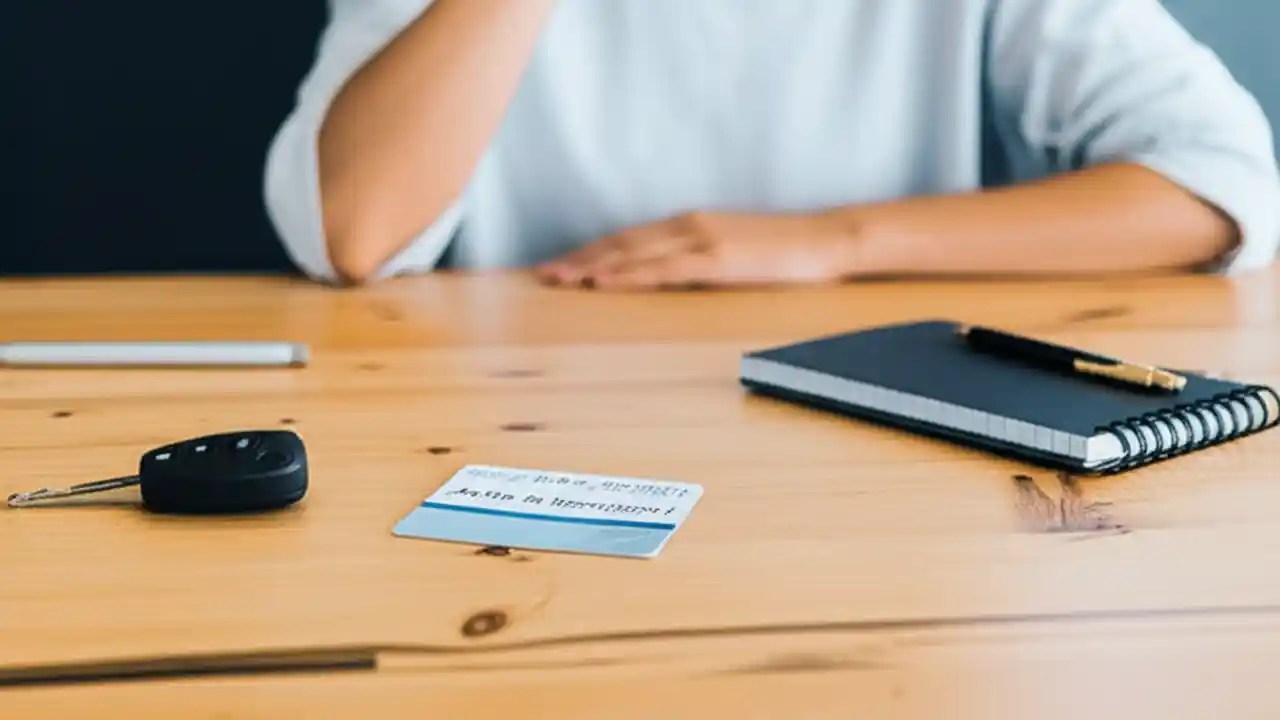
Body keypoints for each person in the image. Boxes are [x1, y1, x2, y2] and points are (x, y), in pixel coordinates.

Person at [265, 0, 1280, 289]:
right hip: (514, 451)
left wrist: (837, 240)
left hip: (874, 441)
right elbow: (351, 230)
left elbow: (1220, 179)